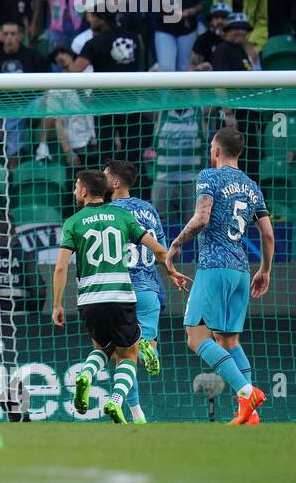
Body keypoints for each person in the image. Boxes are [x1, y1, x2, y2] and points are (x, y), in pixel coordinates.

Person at [54, 169, 186, 424]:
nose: (73, 191)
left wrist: (57, 303)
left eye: (75, 186)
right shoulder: (122, 216)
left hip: (89, 298)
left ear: (83, 191)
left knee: (103, 348)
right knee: (128, 355)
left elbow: (61, 267)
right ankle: (116, 401)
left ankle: (86, 374)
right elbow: (158, 249)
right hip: (122, 294)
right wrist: (172, 272)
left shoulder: (73, 222)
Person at [167, 126, 274, 426]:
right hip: (242, 271)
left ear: (215, 150)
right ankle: (251, 415)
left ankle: (246, 392)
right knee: (228, 341)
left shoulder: (209, 177)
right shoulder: (253, 186)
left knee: (194, 336)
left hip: (214, 267)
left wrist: (175, 244)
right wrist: (264, 270)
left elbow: (202, 218)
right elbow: (267, 234)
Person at [104, 158, 169, 425]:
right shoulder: (149, 210)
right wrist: (172, 275)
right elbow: (162, 249)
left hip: (120, 289)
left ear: (116, 182)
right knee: (141, 353)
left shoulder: (107, 211)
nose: (102, 179)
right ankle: (137, 414)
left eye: (106, 175)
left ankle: (135, 412)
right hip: (149, 289)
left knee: (122, 356)